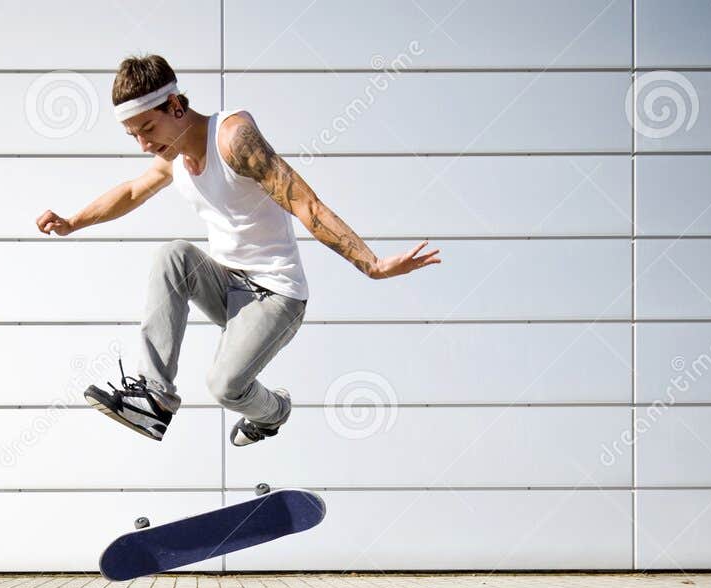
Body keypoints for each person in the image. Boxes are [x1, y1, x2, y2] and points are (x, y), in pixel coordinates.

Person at [35, 54, 441, 446]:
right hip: (227, 286)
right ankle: (155, 398)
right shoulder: (172, 154)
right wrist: (73, 222)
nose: (144, 144)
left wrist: (371, 264)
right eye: (134, 135)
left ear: (175, 105)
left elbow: (306, 204)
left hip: (277, 296)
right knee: (173, 255)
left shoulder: (234, 139)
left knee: (224, 386)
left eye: (148, 129)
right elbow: (131, 191)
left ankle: (274, 412)